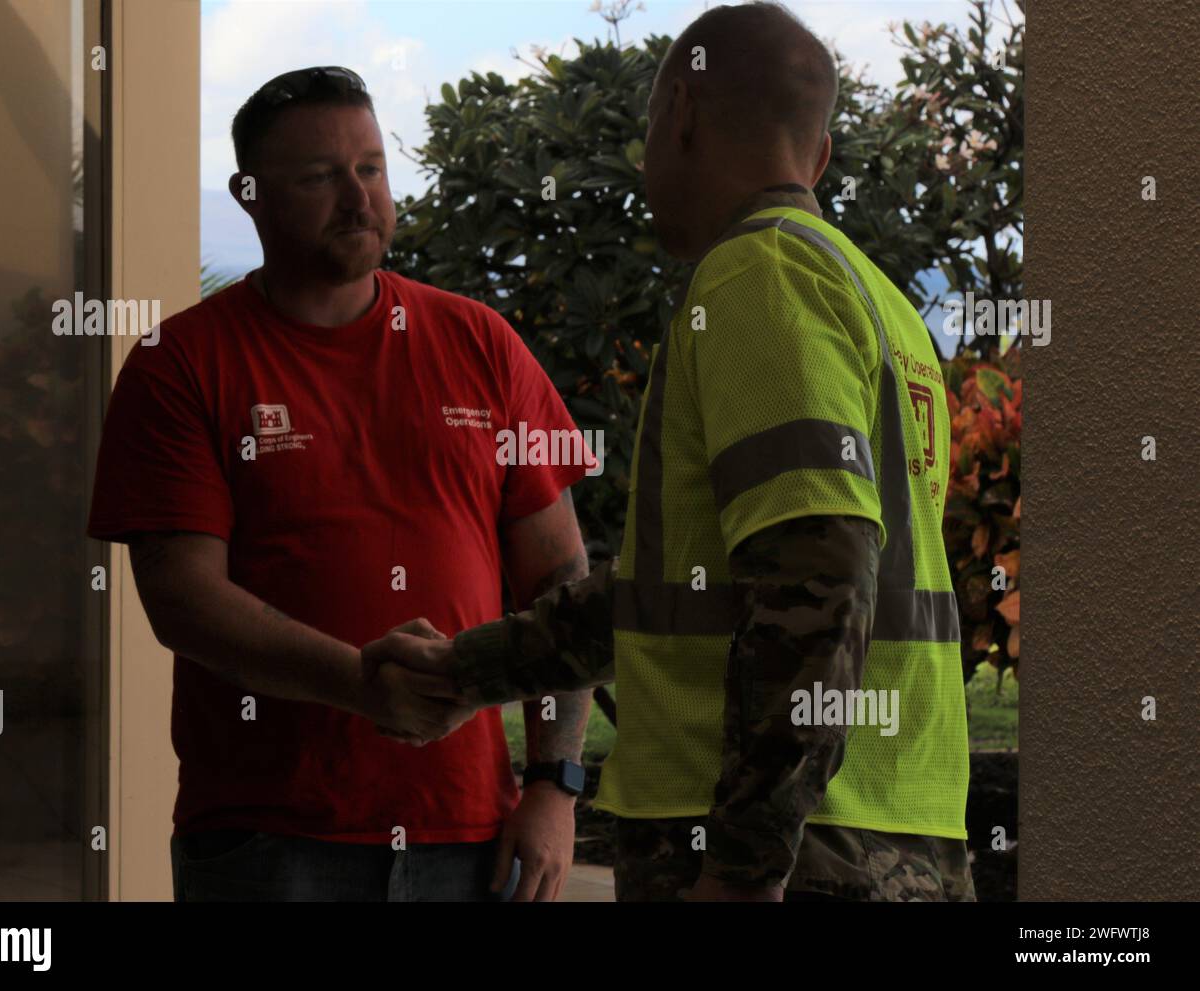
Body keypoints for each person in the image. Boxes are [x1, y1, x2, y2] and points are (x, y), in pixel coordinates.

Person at [364, 3, 976, 903]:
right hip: (894, 830)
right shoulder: (885, 307)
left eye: (651, 124)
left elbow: (818, 582)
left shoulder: (756, 275)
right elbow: (686, 594)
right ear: (820, 157)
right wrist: (468, 672)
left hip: (787, 854)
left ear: (680, 115)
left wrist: (741, 869)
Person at [87, 66, 595, 902]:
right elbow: (182, 597)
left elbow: (559, 579)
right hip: (267, 839)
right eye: (321, 176)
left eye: (371, 168)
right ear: (248, 195)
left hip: (471, 833)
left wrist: (555, 781)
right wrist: (362, 686)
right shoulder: (179, 363)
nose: (359, 199)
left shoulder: (482, 343)